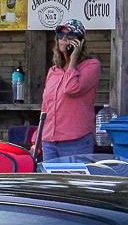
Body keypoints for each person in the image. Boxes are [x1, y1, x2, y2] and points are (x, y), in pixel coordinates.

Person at [35, 19, 101, 162]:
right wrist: (38, 137)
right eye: (60, 35)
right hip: (50, 141)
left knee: (74, 183)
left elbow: (71, 89)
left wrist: (73, 60)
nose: (63, 39)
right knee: (52, 183)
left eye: (70, 36)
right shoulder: (53, 71)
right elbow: (45, 107)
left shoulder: (91, 66)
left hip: (76, 141)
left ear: (80, 42)